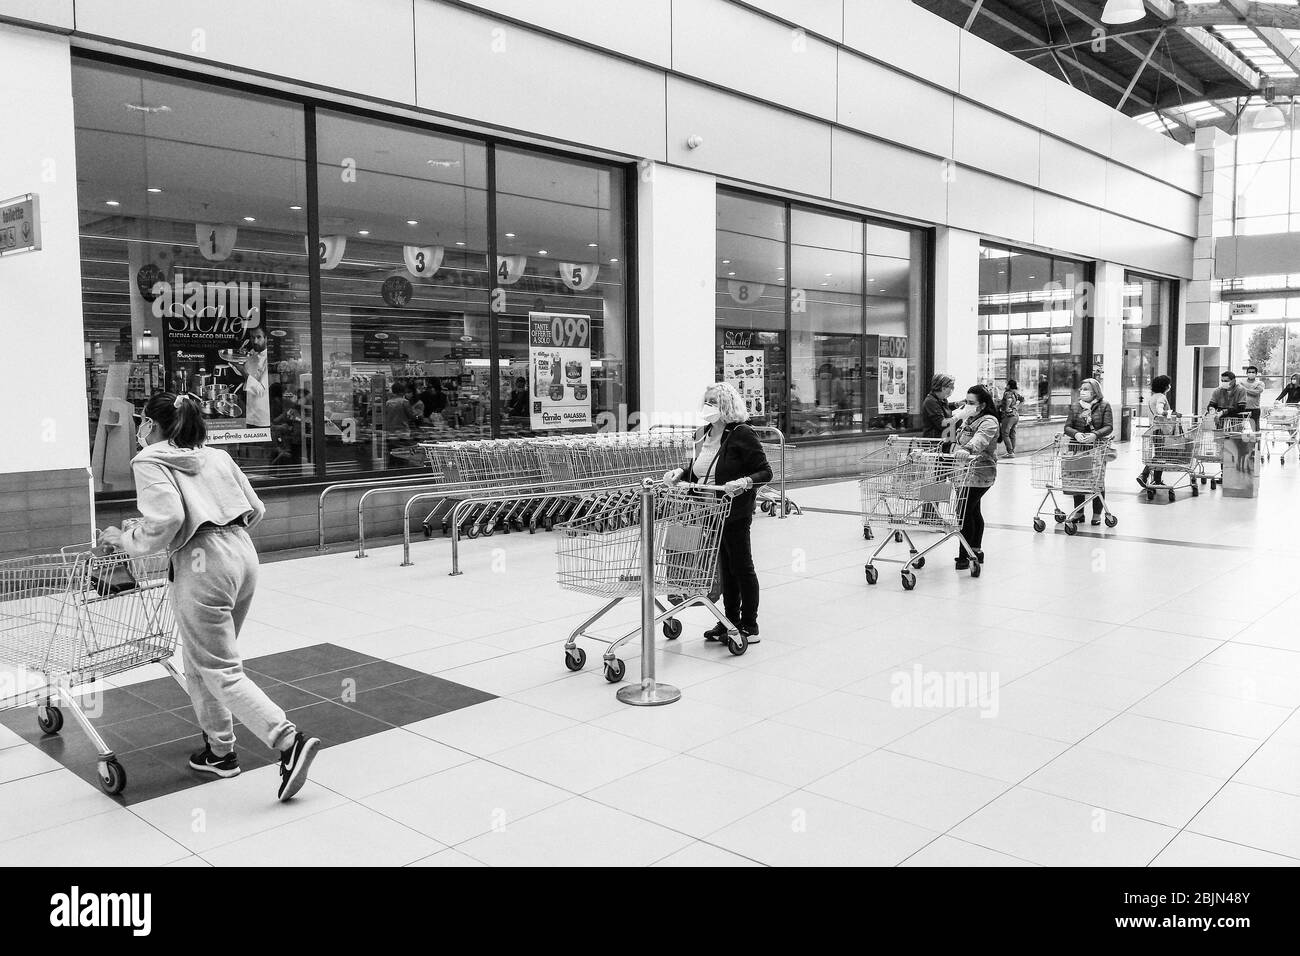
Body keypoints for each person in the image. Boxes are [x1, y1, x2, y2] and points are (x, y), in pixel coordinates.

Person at [98, 392, 320, 801]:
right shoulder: (217, 456)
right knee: (202, 662)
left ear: (158, 425)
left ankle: (289, 741)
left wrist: (126, 538)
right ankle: (221, 753)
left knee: (219, 668)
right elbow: (256, 509)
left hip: (203, 564)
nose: (142, 427)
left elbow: (170, 518)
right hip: (242, 555)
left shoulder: (149, 460)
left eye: (145, 420)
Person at [664, 381, 771, 643]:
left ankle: (750, 625)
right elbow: (700, 469)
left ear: (726, 405)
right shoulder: (703, 433)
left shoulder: (741, 434)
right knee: (725, 566)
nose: (707, 406)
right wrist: (680, 473)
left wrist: (745, 482)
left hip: (733, 510)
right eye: (706, 400)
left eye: (713, 401)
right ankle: (728, 621)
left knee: (741, 566)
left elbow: (765, 472)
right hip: (707, 511)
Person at [951, 385, 1000, 569]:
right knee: (972, 511)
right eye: (966, 402)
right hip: (964, 471)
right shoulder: (969, 418)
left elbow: (980, 439)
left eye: (971, 403)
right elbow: (959, 438)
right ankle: (976, 550)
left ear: (982, 405)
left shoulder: (989, 421)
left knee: (963, 511)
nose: (968, 405)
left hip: (980, 472)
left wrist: (967, 449)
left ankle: (964, 556)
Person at [1063, 377, 1114, 525]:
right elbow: (1067, 426)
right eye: (1082, 389)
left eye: (1086, 389)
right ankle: (1079, 513)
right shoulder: (1075, 406)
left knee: (1097, 481)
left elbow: (1109, 426)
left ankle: (1097, 514)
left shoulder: (1104, 405)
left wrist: (1095, 435)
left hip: (1097, 448)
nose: (1082, 392)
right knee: (1077, 480)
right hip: (1077, 448)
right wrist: (1076, 434)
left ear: (1095, 392)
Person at [1138, 374, 1175, 489]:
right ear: (1165, 386)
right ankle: (1144, 475)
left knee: (1160, 455)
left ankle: (1157, 480)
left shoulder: (1152, 397)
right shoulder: (1161, 397)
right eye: (1168, 384)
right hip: (1162, 431)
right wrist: (1168, 413)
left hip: (1154, 429)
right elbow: (1160, 410)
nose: (1170, 386)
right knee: (1161, 455)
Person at [242, 325, 271, 428]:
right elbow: (244, 373)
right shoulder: (252, 354)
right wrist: (235, 365)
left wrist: (243, 371)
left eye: (259, 337)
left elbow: (261, 390)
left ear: (266, 338)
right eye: (252, 337)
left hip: (262, 418)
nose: (255, 341)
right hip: (249, 413)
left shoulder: (269, 360)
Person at [922, 374, 957, 440]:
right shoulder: (930, 402)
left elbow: (944, 408)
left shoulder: (942, 399)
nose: (952, 390)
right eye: (951, 387)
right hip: (934, 442)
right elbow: (942, 424)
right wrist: (960, 416)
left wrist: (957, 404)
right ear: (943, 388)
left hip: (944, 440)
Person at [998, 379, 1024, 457]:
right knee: (1012, 434)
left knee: (1005, 434)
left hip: (1008, 416)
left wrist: (1006, 408)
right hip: (1015, 415)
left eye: (1007, 384)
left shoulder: (1008, 393)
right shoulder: (1015, 393)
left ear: (1009, 385)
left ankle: (1010, 452)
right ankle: (1012, 451)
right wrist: (1016, 407)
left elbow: (1009, 399)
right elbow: (1022, 400)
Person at [1242, 366, 1265, 430]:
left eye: (1253, 372)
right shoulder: (1242, 383)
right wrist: (1251, 389)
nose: (1251, 373)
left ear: (1256, 374)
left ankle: (1257, 440)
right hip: (1243, 408)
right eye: (1249, 372)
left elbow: (1256, 392)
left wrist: (1245, 389)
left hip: (1254, 409)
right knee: (1239, 428)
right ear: (1246, 373)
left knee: (1255, 429)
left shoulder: (1260, 383)